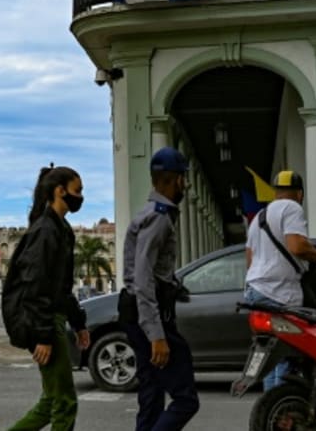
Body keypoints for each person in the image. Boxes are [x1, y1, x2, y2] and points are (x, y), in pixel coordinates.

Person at [1, 166, 90, 431]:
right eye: (78, 190)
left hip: (53, 317)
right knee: (63, 403)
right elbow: (35, 286)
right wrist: (42, 335)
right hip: (44, 320)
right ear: (59, 190)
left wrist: (79, 323)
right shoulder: (45, 231)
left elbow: (61, 286)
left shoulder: (61, 229)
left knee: (52, 402)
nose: (81, 196)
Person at [120, 148, 199, 431]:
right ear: (173, 180)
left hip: (138, 311)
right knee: (186, 399)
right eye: (183, 179)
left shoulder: (153, 213)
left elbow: (152, 272)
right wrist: (156, 336)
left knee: (151, 394)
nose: (186, 185)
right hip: (150, 317)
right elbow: (143, 279)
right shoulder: (159, 218)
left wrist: (175, 286)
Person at [244, 170, 316, 391]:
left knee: (269, 356)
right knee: (287, 355)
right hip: (280, 293)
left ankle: (271, 410)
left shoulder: (259, 217)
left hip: (256, 291)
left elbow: (249, 259)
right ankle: (284, 413)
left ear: (276, 192)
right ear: (299, 194)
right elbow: (297, 246)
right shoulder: (292, 208)